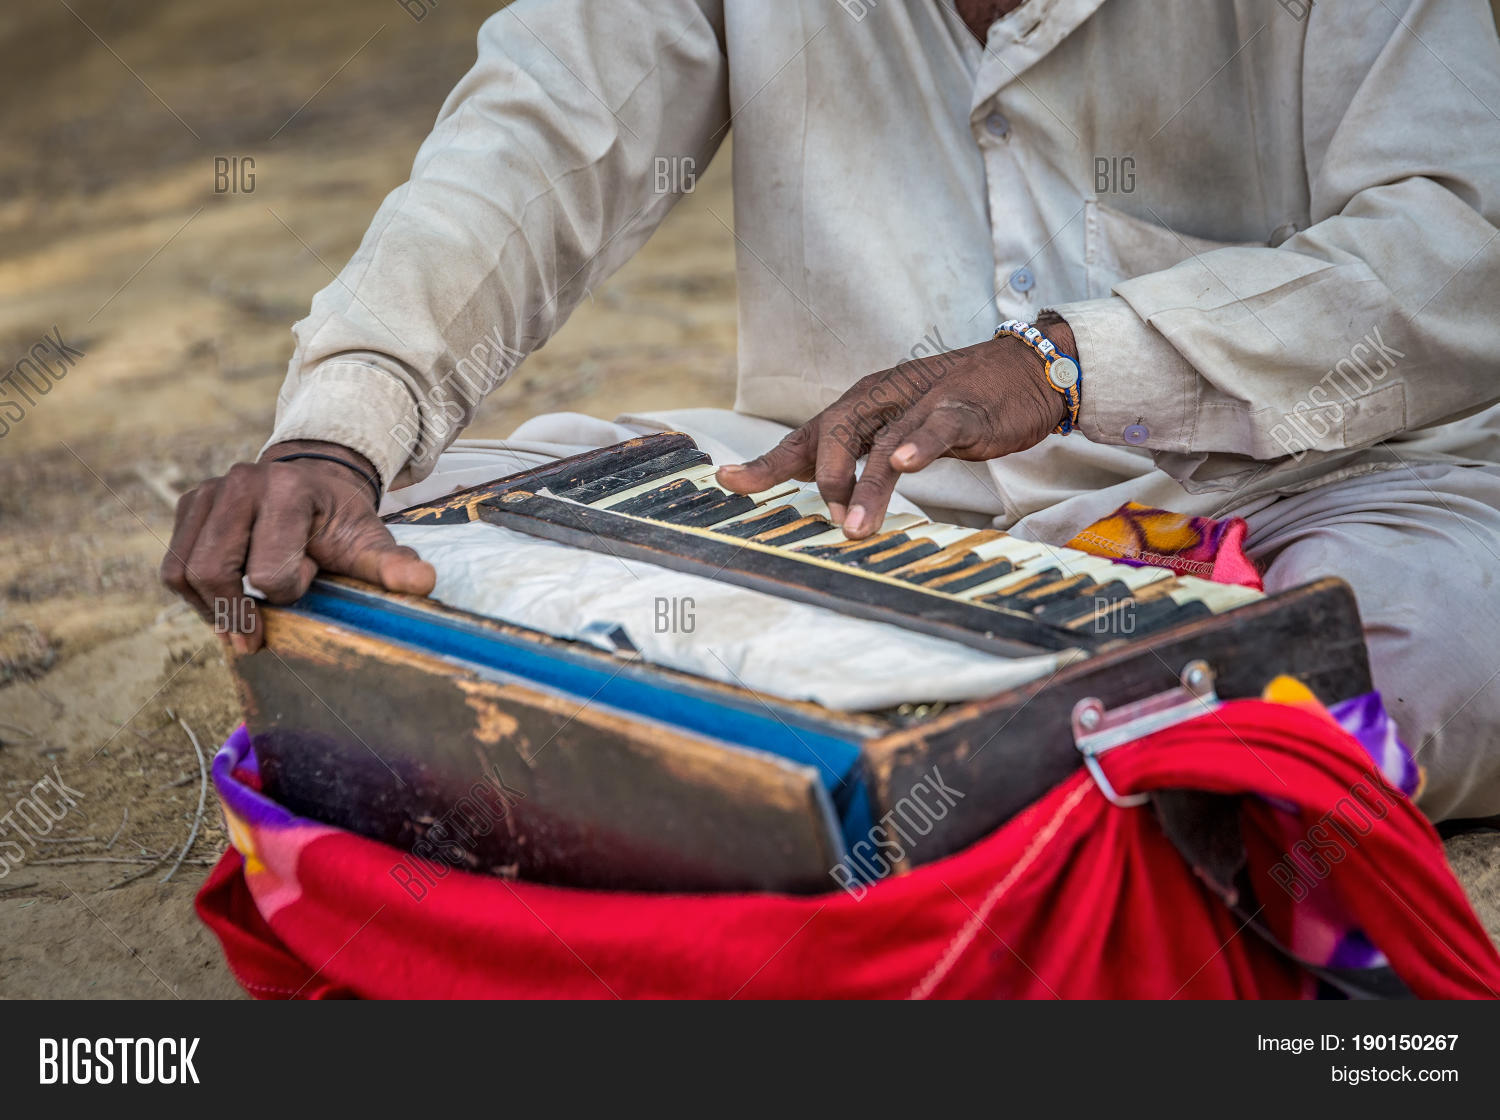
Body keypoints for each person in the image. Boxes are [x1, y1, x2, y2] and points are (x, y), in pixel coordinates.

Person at [161, 0, 1500, 821]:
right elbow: (538, 138)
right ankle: (934, 781)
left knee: (1397, 654)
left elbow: (1457, 241)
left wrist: (1070, 359)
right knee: (443, 531)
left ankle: (843, 787)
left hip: (1320, 490)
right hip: (861, 499)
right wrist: (340, 429)